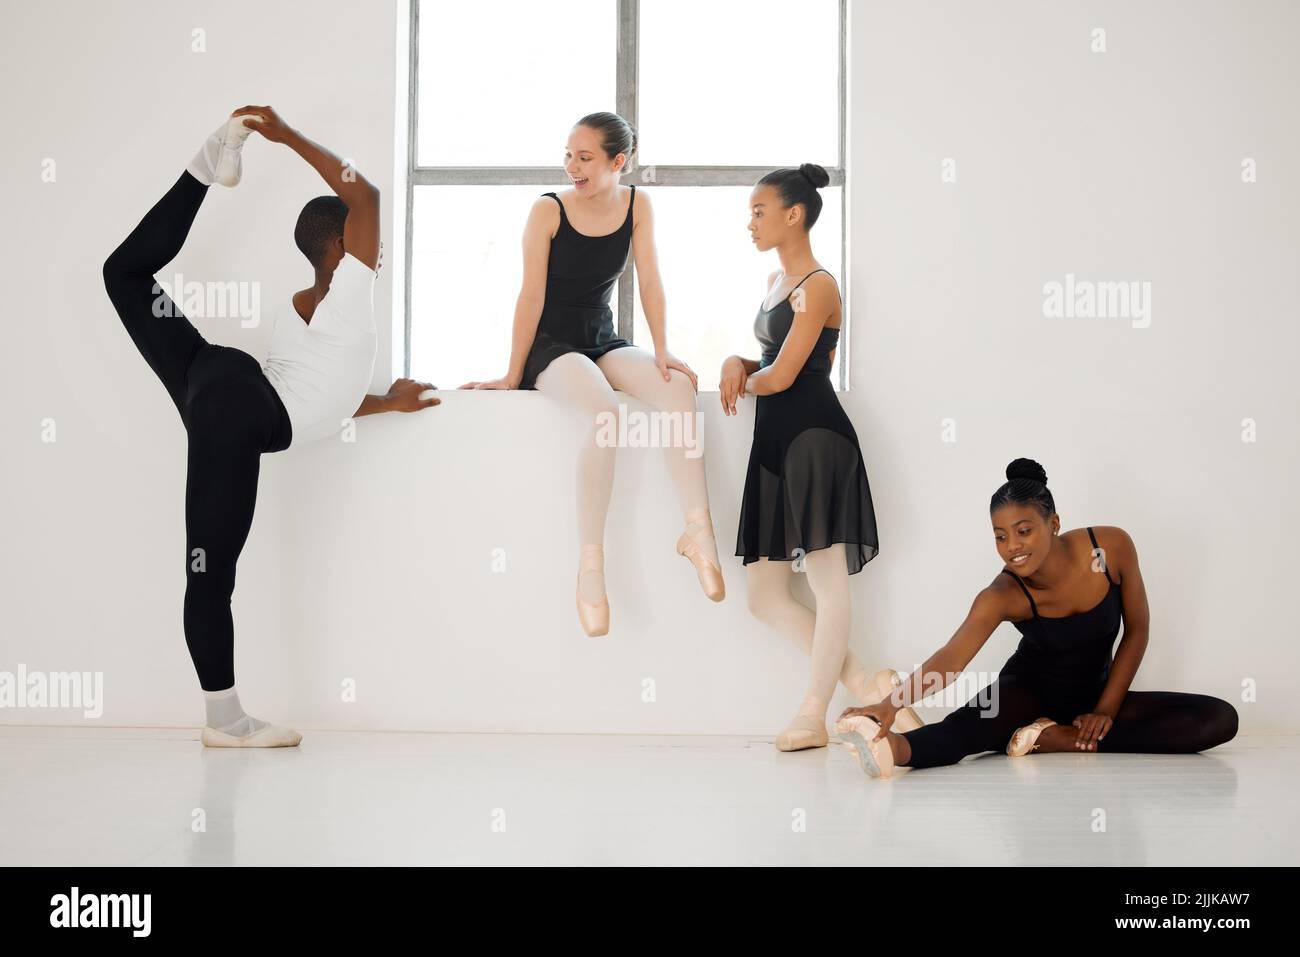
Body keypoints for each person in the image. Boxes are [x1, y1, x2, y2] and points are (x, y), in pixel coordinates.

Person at [101, 106, 439, 747]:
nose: (379, 248)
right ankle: (225, 724)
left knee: (124, 275)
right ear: (340, 248)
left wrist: (386, 404)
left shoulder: (304, 311)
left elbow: (315, 398)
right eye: (366, 241)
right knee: (209, 575)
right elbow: (362, 192)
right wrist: (283, 136)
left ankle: (209, 160)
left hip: (215, 381)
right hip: (230, 402)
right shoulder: (351, 289)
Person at [460, 112, 723, 637]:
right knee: (604, 413)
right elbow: (530, 294)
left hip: (601, 337)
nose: (571, 167)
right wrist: (513, 374)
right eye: (568, 156)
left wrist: (664, 351)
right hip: (552, 345)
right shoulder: (547, 211)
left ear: (616, 162)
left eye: (584, 158)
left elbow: (650, 280)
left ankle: (697, 529)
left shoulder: (637, 205)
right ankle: (590, 566)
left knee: (676, 390)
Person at [834, 458, 1239, 778]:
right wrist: (890, 705)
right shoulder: (1002, 594)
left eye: (1023, 531)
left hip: (1096, 695)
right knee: (966, 731)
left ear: (1054, 523)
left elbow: (1138, 630)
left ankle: (1054, 738)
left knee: (1216, 719)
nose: (1012, 547)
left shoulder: (1109, 548)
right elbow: (951, 660)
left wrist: (1106, 711)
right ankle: (893, 748)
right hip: (1026, 693)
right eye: (1000, 536)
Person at [721, 164, 916, 752]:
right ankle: (865, 681)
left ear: (793, 214)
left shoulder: (820, 284)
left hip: (815, 440)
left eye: (759, 211)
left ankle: (813, 713)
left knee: (828, 584)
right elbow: (771, 366)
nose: (750, 222)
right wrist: (738, 361)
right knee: (764, 597)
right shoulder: (777, 287)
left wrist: (749, 375)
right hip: (775, 444)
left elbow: (785, 375)